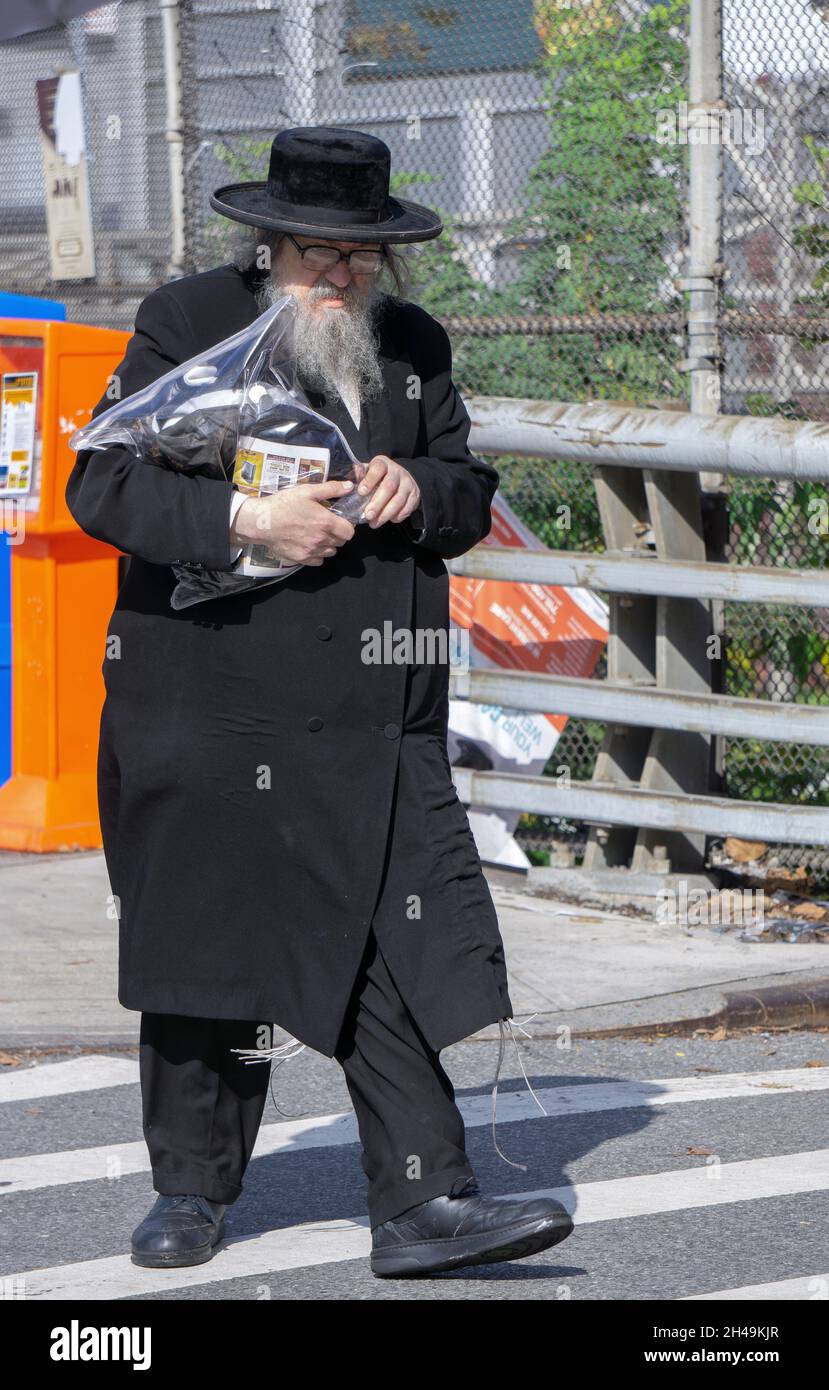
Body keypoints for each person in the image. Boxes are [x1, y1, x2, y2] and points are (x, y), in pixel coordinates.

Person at [65, 126, 573, 1278]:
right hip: (210, 697)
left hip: (360, 709)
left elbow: (466, 488)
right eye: (317, 253)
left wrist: (418, 484)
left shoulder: (412, 345)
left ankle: (423, 1198)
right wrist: (245, 522)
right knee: (208, 943)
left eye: (360, 256)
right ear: (268, 246)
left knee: (374, 940)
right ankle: (189, 1192)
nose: (340, 276)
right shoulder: (185, 321)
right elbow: (100, 478)